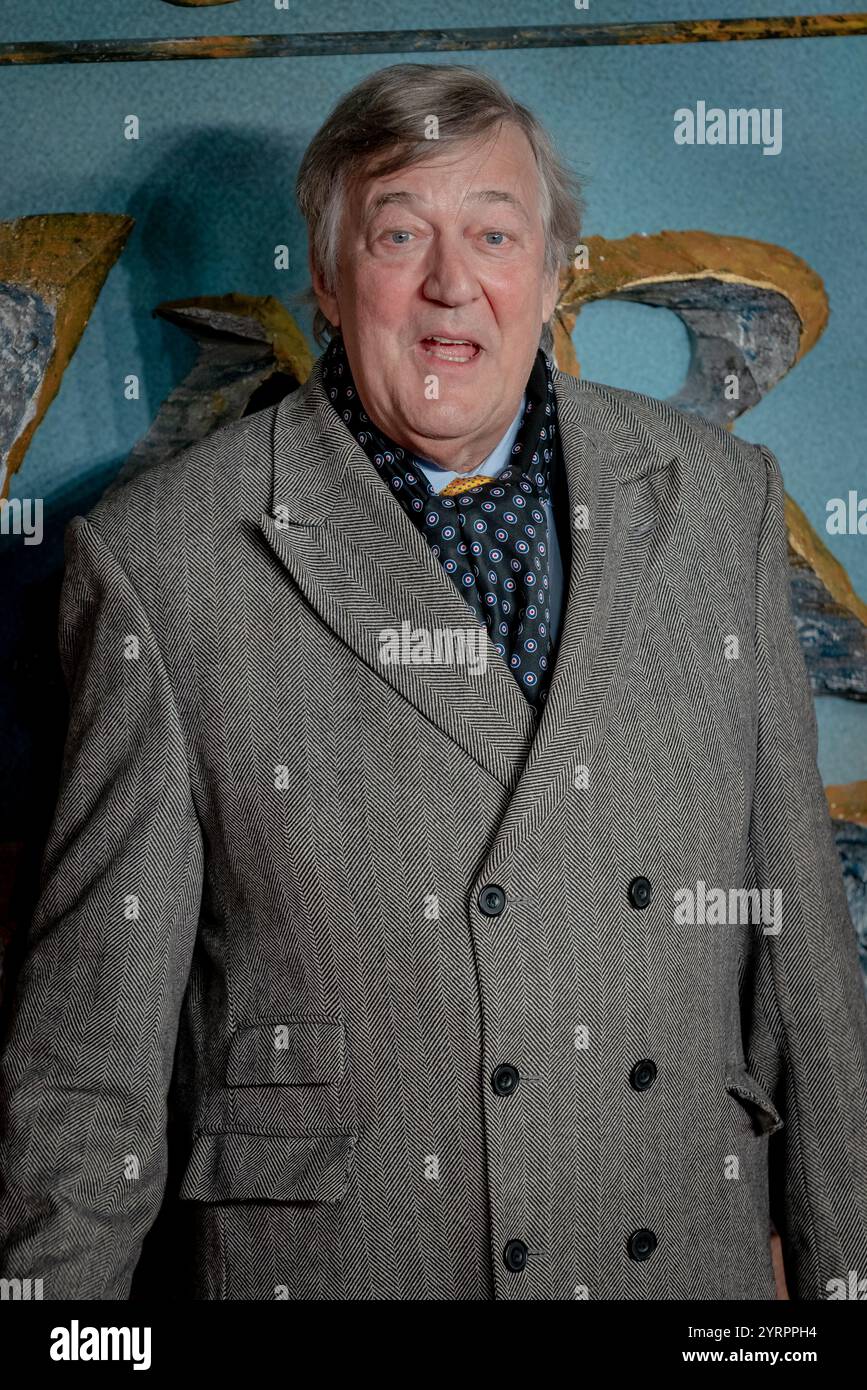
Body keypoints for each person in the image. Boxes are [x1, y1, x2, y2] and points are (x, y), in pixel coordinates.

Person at [1, 63, 866, 1301]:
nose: (452, 283)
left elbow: (808, 977)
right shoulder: (163, 563)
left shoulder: (718, 506)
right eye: (400, 233)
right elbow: (92, 1060)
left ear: (557, 268)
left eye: (495, 234)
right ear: (328, 273)